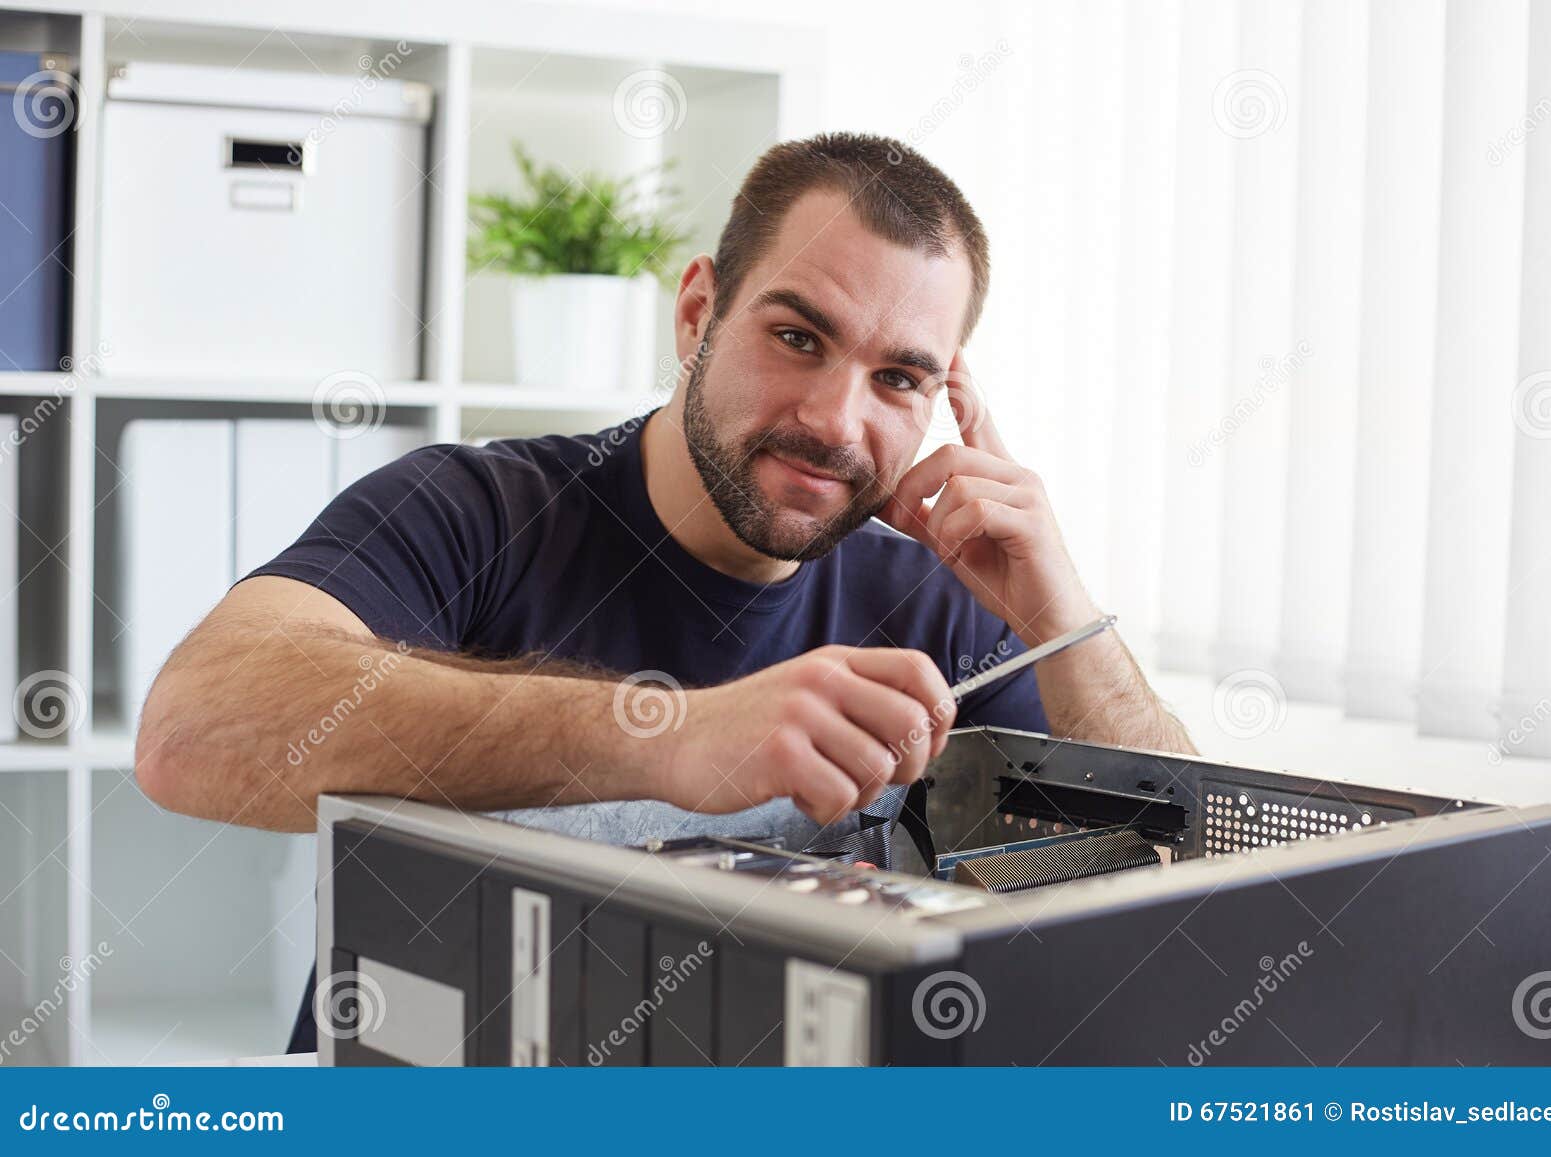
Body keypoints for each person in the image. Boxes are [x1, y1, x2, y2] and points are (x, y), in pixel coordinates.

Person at [133, 131, 1195, 1049]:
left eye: (898, 378)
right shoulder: (476, 511)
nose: (835, 418)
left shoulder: (947, 603)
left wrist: (1064, 616)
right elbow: (193, 730)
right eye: (796, 337)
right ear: (697, 315)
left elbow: (1186, 899)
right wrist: (670, 736)